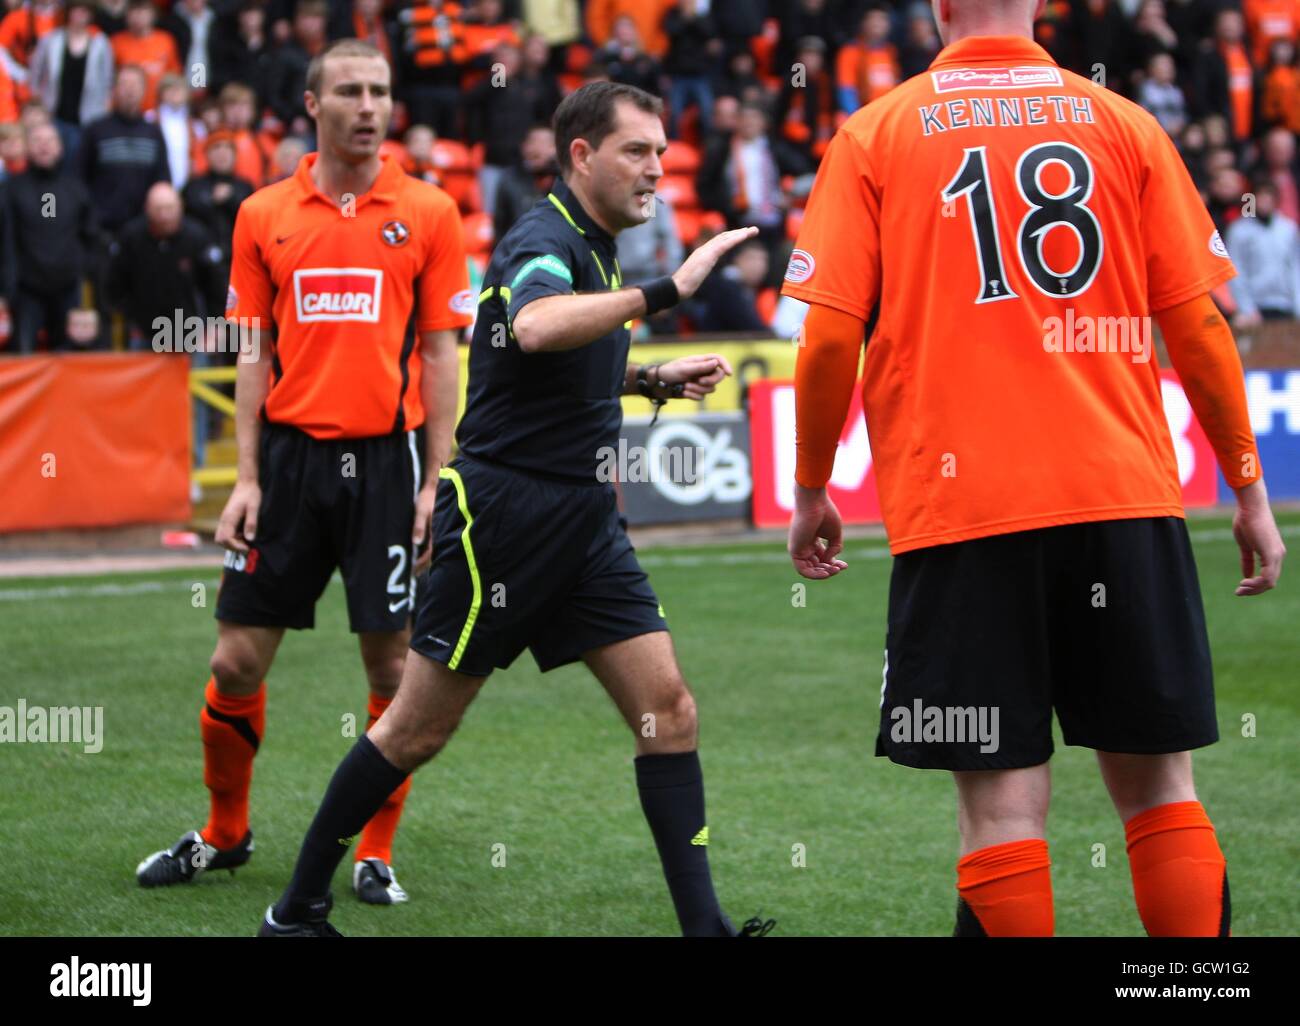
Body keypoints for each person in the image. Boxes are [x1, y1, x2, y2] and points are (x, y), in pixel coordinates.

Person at [783, 0, 1286, 937]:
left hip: (966, 508)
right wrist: (1249, 488)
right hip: (1124, 498)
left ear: (938, 8)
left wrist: (811, 486)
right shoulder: (1125, 122)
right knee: (1161, 791)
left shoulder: (875, 132)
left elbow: (825, 343)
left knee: (1002, 812)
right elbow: (1202, 331)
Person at [258, 80, 774, 938]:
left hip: (582, 520)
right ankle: (298, 906)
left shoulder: (596, 243)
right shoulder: (544, 236)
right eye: (636, 152)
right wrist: (668, 290)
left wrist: (646, 377)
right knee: (415, 730)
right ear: (581, 156)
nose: (656, 170)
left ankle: (705, 931)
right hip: (503, 519)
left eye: (660, 152)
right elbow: (534, 325)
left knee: (670, 712)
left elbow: (547, 356)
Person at [135, 38, 473, 908]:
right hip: (286, 465)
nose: (370, 106)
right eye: (351, 91)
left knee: (394, 673)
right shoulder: (261, 214)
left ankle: (376, 849)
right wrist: (244, 477)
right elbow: (251, 351)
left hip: (388, 465)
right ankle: (226, 832)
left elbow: (441, 353)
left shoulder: (431, 210)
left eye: (381, 92)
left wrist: (438, 479)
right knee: (237, 659)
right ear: (314, 106)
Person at [3, 119, 98, 352]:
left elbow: (91, 234)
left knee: (70, 356)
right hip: (26, 290)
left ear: (60, 147)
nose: (44, 147)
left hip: (68, 288)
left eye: (49, 141)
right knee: (23, 355)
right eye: (37, 141)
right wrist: (6, 290)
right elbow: (5, 240)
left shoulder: (76, 188)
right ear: (27, 147)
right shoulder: (11, 189)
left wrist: (82, 271)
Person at [1224, 180, 1300, 326]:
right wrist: (1246, 307)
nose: (1264, 201)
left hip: (1284, 304)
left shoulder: (1288, 229)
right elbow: (1236, 270)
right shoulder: (1239, 231)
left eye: (1269, 196)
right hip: (1255, 308)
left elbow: (1295, 269)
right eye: (1260, 196)